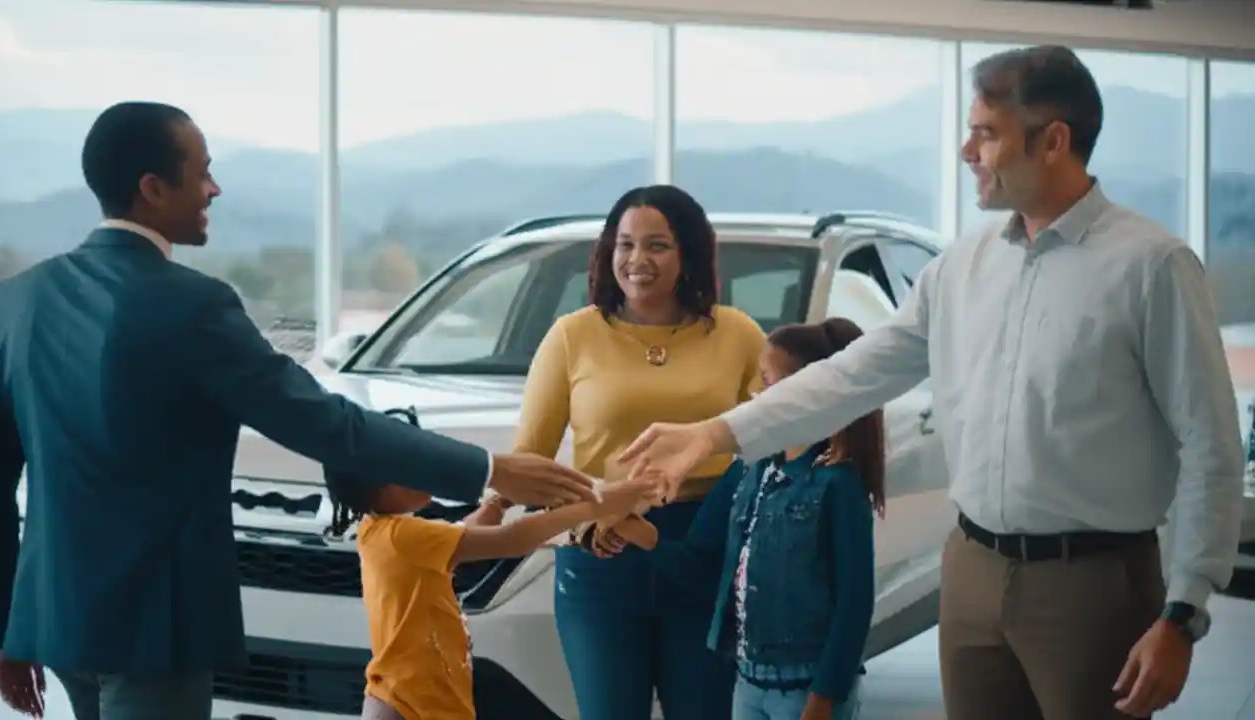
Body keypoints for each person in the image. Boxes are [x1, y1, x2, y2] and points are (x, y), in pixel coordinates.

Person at [620, 45, 1245, 720]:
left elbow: (1211, 447)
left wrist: (1184, 614)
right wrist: (715, 433)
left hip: (1093, 584)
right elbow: (852, 376)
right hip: (973, 570)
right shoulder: (963, 266)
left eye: (987, 133)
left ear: (1055, 141)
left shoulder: (1150, 267)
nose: (966, 151)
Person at [0, 101, 594, 720]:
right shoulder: (191, 305)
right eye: (203, 173)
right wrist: (487, 470)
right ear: (153, 188)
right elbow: (323, 422)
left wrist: (4, 626)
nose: (214, 189)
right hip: (153, 626)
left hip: (53, 614)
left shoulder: (14, 302)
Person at [513, 184, 768, 719]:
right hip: (600, 556)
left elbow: (769, 450)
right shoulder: (571, 336)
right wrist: (580, 523)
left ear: (688, 254)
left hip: (706, 551)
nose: (636, 260)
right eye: (625, 244)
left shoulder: (738, 334)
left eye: (657, 245)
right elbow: (528, 463)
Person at [646, 318, 882, 720]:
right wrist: (632, 532)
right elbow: (697, 558)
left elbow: (855, 602)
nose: (757, 397)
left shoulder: (837, 485)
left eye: (769, 384)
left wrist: (824, 696)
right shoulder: (747, 469)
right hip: (748, 682)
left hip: (806, 689)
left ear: (807, 393)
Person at [322, 456, 659, 720]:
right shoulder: (401, 536)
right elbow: (512, 540)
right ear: (376, 487)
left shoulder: (386, 532)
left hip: (419, 697)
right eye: (407, 466)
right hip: (411, 703)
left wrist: (500, 501)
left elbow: (465, 534)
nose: (421, 468)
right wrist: (595, 506)